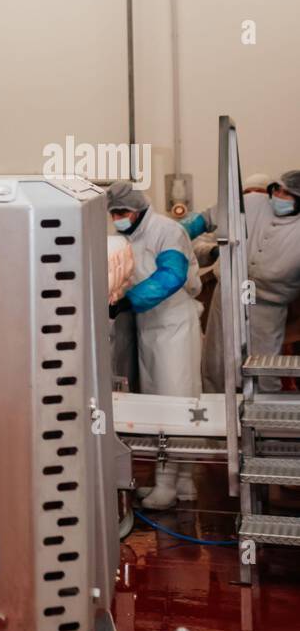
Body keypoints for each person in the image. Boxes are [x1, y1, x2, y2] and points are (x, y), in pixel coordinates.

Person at [108, 180, 203, 508]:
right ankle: (178, 483)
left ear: (138, 208)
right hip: (149, 326)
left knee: (177, 402)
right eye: (113, 213)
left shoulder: (166, 230)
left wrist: (127, 301)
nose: (117, 217)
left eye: (122, 212)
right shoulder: (128, 235)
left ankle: (174, 483)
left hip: (174, 325)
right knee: (158, 403)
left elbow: (172, 276)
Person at [184, 170, 300, 393]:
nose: (279, 195)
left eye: (287, 193)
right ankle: (217, 418)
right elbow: (204, 219)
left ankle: (261, 421)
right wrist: (175, 233)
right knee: (217, 361)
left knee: (263, 367)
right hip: (227, 294)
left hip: (268, 307)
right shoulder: (251, 203)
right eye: (277, 189)